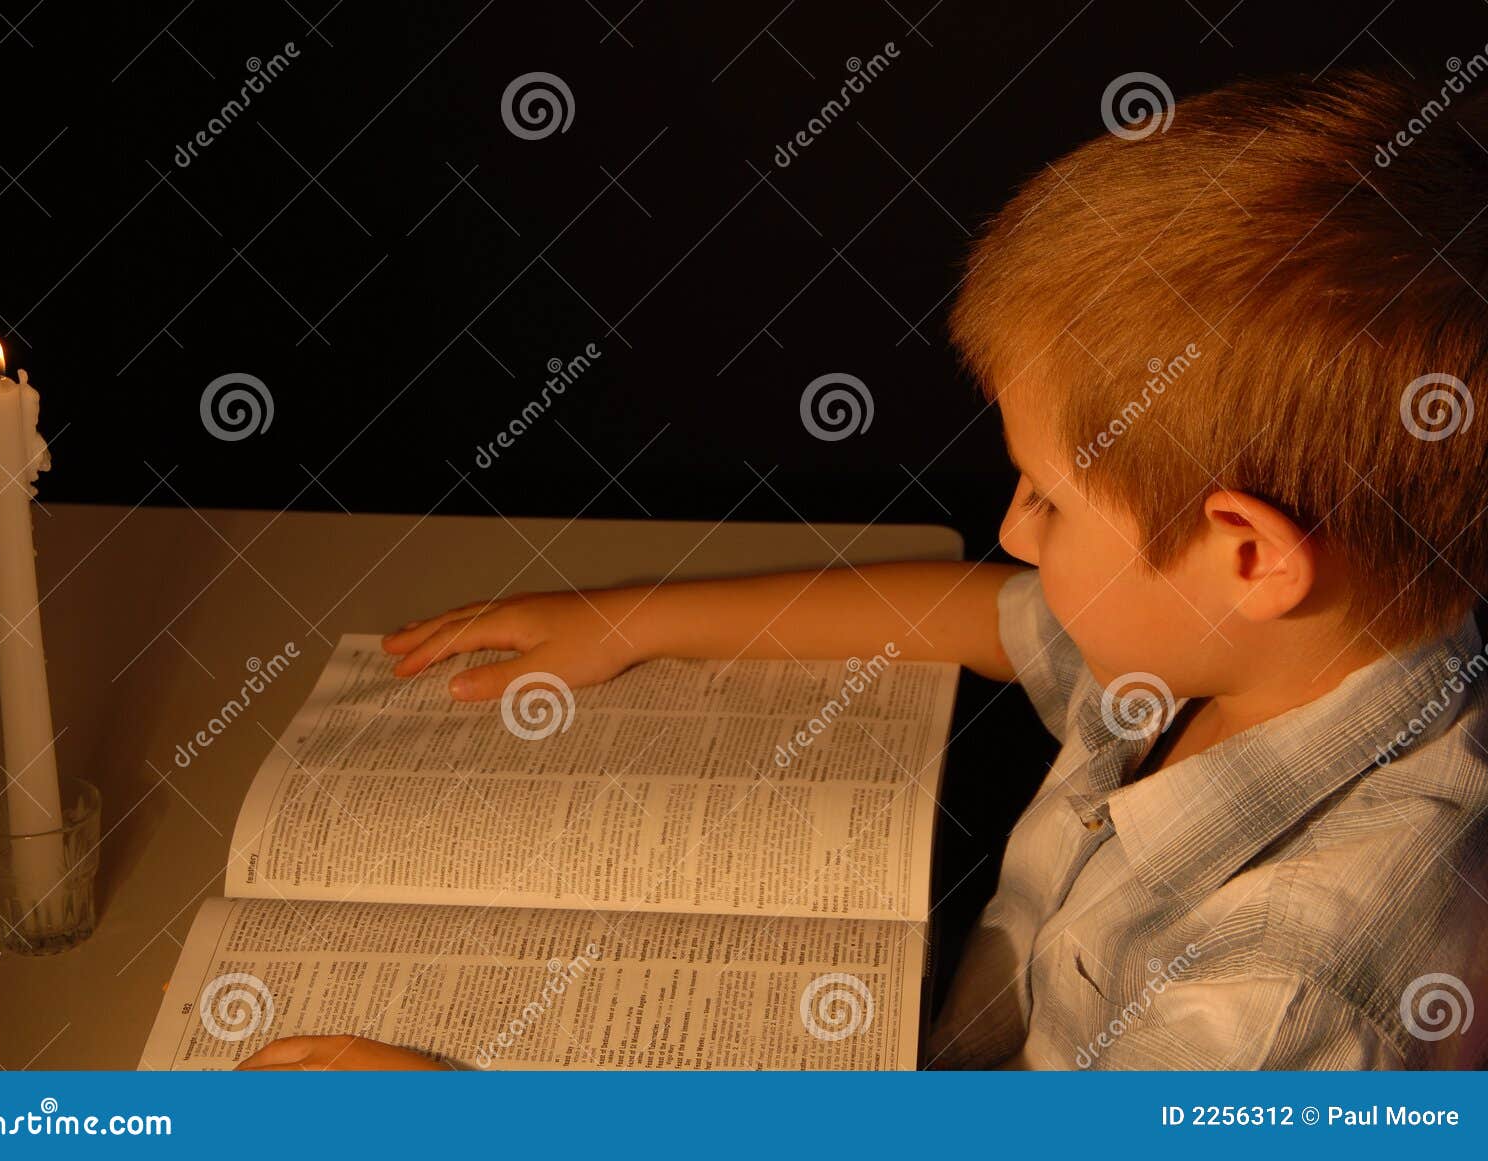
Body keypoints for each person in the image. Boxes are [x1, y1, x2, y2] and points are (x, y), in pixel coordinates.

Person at [240, 69, 1488, 1071]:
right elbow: (969, 614)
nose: (1009, 529)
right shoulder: (1250, 649)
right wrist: (630, 622)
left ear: (1248, 554)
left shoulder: (1284, 1009)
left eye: (1047, 497)